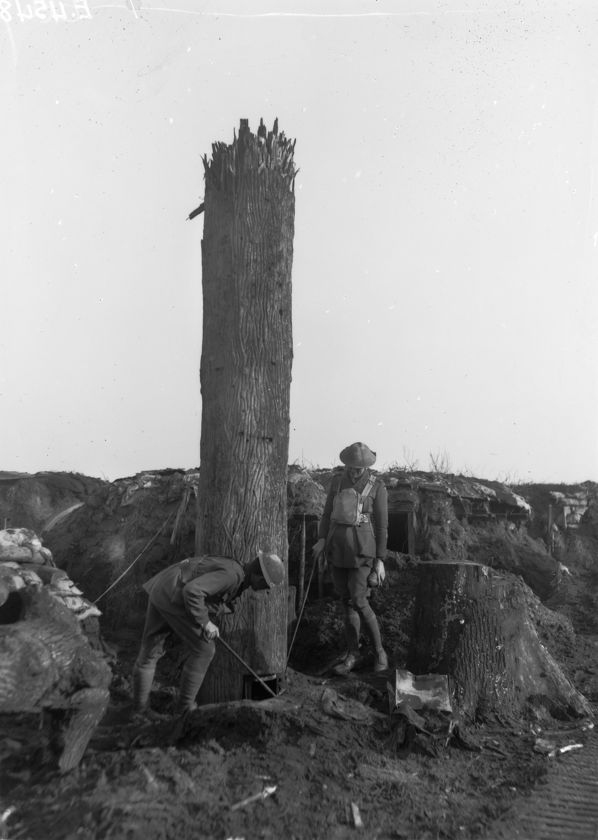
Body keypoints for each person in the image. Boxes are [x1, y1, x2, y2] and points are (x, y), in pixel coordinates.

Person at [132, 551, 285, 715]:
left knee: (149, 654)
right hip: (173, 594)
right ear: (258, 578)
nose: (265, 590)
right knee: (205, 649)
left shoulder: (237, 570)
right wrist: (205, 623)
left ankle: (140, 710)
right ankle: (184, 711)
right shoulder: (232, 575)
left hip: (163, 587)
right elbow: (192, 591)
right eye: (266, 586)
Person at [313, 442, 389, 674]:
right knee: (346, 601)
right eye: (351, 467)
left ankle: (379, 653)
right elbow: (327, 514)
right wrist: (322, 539)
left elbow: (382, 526)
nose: (355, 472)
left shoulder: (377, 486)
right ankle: (353, 654)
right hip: (337, 550)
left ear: (366, 467)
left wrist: (380, 559)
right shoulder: (337, 482)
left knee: (359, 600)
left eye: (359, 468)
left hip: (362, 552)